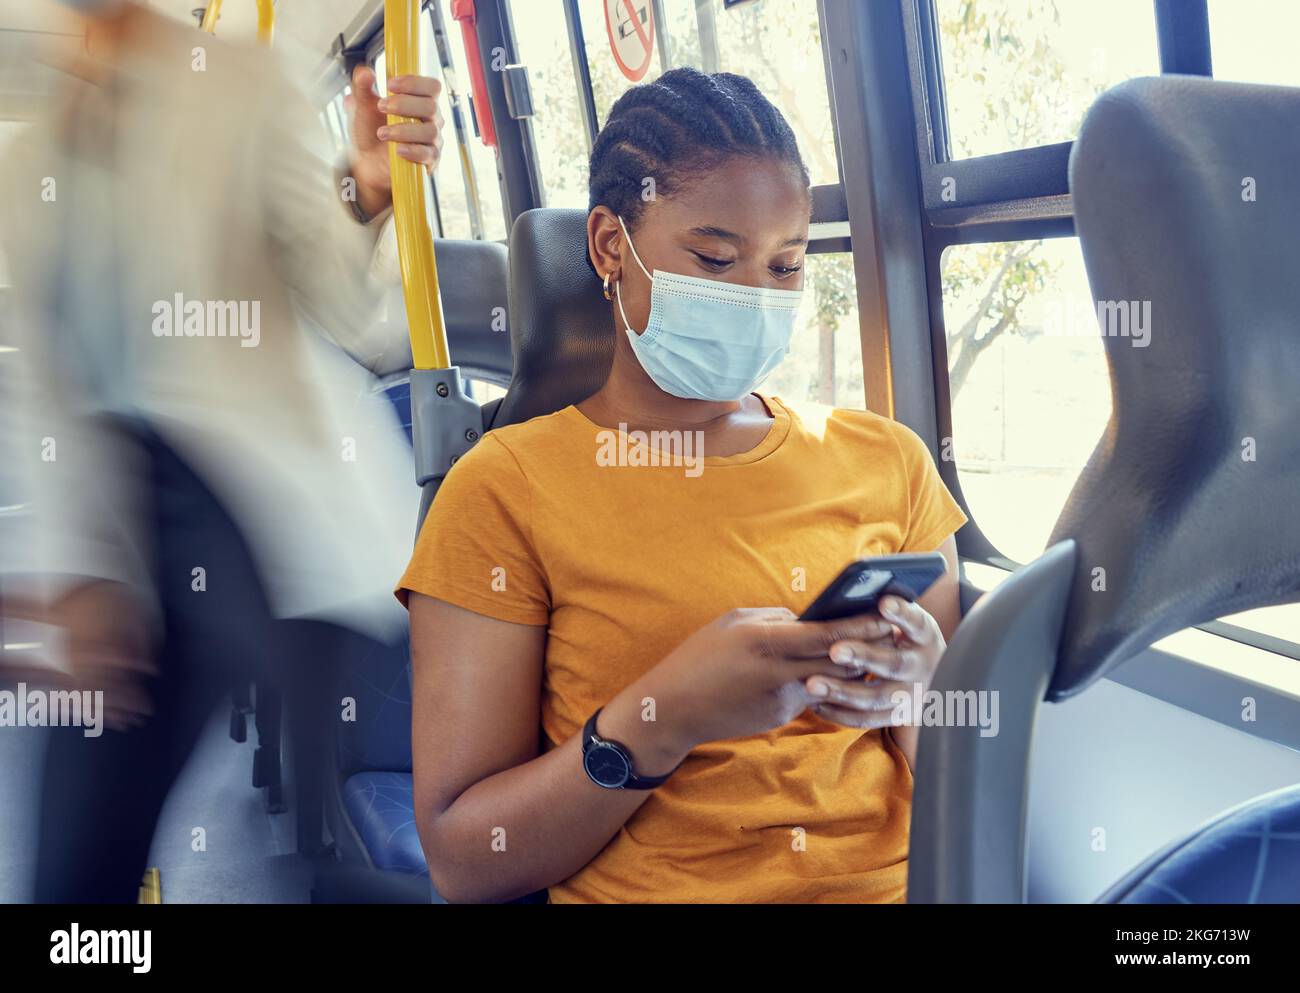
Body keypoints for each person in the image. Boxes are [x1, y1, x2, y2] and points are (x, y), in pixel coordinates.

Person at [397, 67, 968, 904]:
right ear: (607, 248)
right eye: (713, 257)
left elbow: (963, 778)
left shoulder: (888, 460)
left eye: (784, 267)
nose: (753, 298)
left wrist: (919, 690)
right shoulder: (504, 489)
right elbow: (464, 857)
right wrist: (667, 713)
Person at [0, 0, 445, 902]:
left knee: (306, 855)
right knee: (74, 861)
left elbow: (355, 322)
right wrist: (70, 564)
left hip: (263, 515)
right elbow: (45, 392)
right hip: (127, 521)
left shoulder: (243, 85)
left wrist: (368, 186)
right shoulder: (30, 159)